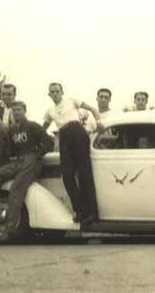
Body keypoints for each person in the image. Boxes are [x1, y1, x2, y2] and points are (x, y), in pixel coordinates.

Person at [0, 101, 54, 238]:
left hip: (31, 160)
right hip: (18, 160)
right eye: (14, 110)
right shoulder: (12, 129)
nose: (16, 112)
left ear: (24, 111)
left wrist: (38, 154)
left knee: (16, 189)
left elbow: (50, 142)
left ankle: (10, 227)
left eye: (19, 110)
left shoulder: (33, 126)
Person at [43, 83, 104, 224]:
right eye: (52, 92)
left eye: (57, 91)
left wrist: (99, 122)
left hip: (77, 132)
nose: (55, 94)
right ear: (49, 94)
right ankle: (80, 210)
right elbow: (43, 128)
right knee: (67, 175)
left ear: (62, 91)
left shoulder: (71, 101)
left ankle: (92, 214)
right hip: (63, 135)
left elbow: (93, 109)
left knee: (84, 174)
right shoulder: (50, 111)